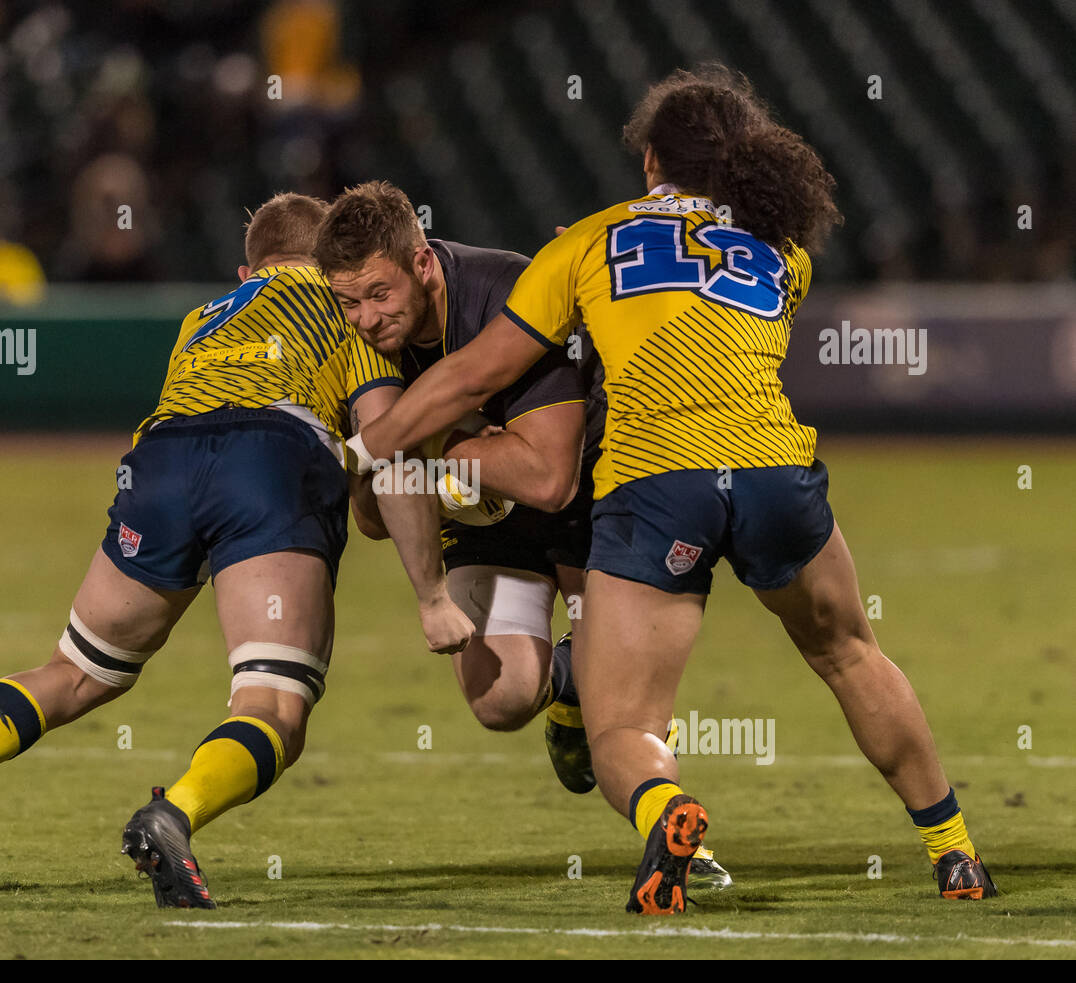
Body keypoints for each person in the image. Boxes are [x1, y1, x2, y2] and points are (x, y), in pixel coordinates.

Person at [347, 67, 995, 913]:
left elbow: (474, 373)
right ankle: (956, 854)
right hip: (771, 472)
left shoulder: (588, 240)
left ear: (650, 158)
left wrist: (366, 447)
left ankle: (666, 809)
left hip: (659, 485)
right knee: (851, 655)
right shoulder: (783, 250)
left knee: (623, 725)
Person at [0, 192, 473, 907]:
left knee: (74, 671)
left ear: (245, 271)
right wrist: (433, 595)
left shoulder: (201, 320)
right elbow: (390, 450)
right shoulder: (342, 301)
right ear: (329, 261)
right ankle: (174, 814)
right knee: (272, 704)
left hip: (162, 463)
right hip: (271, 455)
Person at [316, 180, 733, 891]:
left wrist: (417, 445)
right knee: (500, 701)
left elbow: (548, 479)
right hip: (484, 510)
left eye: (379, 295)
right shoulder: (365, 349)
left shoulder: (508, 290)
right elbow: (372, 518)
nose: (365, 319)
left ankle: (674, 842)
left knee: (622, 702)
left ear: (421, 262)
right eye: (348, 302)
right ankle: (569, 679)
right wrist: (395, 463)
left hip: (589, 489)